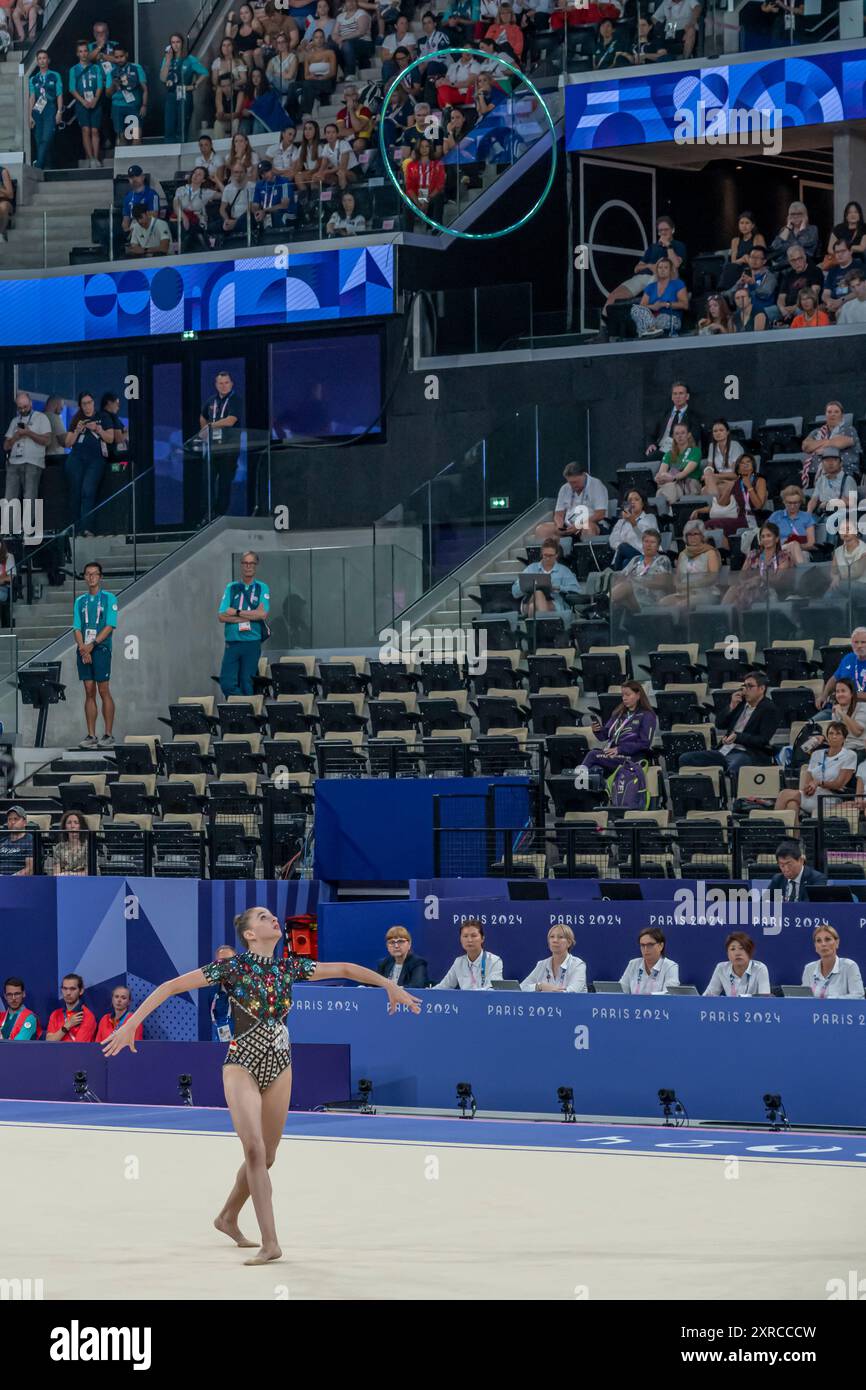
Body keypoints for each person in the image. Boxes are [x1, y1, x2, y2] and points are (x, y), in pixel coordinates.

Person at [102, 904, 421, 1265]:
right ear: (250, 934)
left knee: (267, 1157)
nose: (273, 919)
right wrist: (130, 1024)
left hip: (280, 1065)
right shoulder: (233, 967)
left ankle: (226, 1217)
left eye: (273, 916)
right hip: (242, 1063)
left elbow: (345, 969)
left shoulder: (289, 967)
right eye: (263, 917)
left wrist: (389, 985)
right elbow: (171, 986)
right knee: (253, 1150)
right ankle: (271, 1243)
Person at [678, 670, 780, 791]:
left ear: (761, 688)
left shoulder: (769, 709)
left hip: (747, 753)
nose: (745, 689)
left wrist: (738, 737)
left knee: (736, 765)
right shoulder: (740, 703)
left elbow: (762, 740)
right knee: (685, 758)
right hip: (724, 751)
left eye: (750, 686)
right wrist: (731, 706)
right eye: (744, 686)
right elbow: (720, 724)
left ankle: (733, 798)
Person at [604, 215, 687, 325]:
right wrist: (649, 266)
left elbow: (676, 264)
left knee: (654, 294)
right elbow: (637, 268)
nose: (663, 232)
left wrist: (668, 246)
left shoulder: (678, 245)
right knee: (613, 296)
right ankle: (604, 329)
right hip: (643, 277)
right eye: (660, 230)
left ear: (672, 230)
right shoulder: (653, 247)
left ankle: (650, 326)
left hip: (661, 277)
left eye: (666, 229)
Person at [73, 560, 118, 750]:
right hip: (84, 649)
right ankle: (91, 735)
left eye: (95, 574)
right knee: (88, 691)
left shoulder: (109, 598)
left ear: (100, 577)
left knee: (103, 690)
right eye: (88, 574)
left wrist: (92, 645)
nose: (91, 577)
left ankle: (108, 734)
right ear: (84, 577)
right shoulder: (79, 601)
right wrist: (83, 647)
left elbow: (110, 625)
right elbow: (76, 627)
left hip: (100, 648)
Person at [577, 679, 657, 780]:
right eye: (623, 695)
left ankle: (577, 780)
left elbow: (644, 743)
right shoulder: (619, 713)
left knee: (593, 755)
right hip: (615, 755)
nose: (624, 698)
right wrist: (597, 730)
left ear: (638, 695)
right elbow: (604, 736)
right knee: (595, 769)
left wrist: (619, 749)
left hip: (633, 758)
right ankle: (590, 791)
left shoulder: (647, 715)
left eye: (628, 695)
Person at [775, 721, 855, 819]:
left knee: (784, 794)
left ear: (844, 738)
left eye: (838, 734)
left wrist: (818, 782)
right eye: (831, 733)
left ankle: (774, 830)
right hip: (813, 794)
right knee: (792, 804)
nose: (834, 736)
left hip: (830, 797)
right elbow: (807, 781)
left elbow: (839, 784)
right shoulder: (817, 754)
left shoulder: (849, 755)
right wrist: (808, 788)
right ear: (827, 736)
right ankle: (793, 834)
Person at [218, 550, 270, 697]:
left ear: (256, 565)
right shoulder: (231, 587)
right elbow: (221, 615)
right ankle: (244, 707)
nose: (248, 566)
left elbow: (262, 614)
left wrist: (236, 612)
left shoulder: (262, 587)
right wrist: (250, 616)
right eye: (245, 563)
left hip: (252, 641)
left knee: (247, 682)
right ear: (241, 565)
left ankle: (246, 715)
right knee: (227, 683)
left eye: (251, 563)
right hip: (233, 641)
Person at [64, 392, 113, 534]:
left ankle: (87, 527)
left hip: (95, 459)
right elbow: (68, 443)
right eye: (84, 403)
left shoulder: (102, 417)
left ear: (93, 403)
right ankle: (76, 528)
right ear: (80, 405)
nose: (87, 406)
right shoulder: (77, 419)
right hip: (77, 459)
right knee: (75, 493)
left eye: (89, 402)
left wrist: (97, 429)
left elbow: (110, 438)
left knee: (88, 490)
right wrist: (77, 431)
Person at [200, 369, 243, 518]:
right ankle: (208, 513)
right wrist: (205, 431)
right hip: (213, 448)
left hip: (229, 448)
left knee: (225, 483)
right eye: (221, 383)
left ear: (231, 384)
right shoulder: (211, 400)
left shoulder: (235, 400)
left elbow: (231, 420)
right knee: (208, 481)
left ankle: (220, 513)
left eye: (226, 383)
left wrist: (211, 426)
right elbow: (203, 416)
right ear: (216, 385)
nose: (224, 386)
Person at [724, 521, 794, 608]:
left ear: (776, 539)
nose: (765, 539)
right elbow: (742, 576)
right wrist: (749, 582)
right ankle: (723, 617)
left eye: (769, 536)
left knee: (761, 593)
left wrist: (759, 578)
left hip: (772, 589)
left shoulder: (784, 556)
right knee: (733, 589)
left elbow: (777, 580)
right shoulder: (753, 554)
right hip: (750, 586)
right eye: (763, 537)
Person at [536, 460, 609, 541]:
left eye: (576, 482)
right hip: (568, 526)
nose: (573, 485)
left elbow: (600, 514)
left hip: (591, 524)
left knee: (588, 527)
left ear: (584, 475)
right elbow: (558, 514)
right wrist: (559, 526)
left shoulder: (596, 485)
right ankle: (551, 553)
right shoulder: (565, 488)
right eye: (570, 482)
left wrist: (579, 525)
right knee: (542, 529)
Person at [511, 537, 580, 618]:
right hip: (529, 601)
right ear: (541, 554)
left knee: (533, 606)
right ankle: (544, 626)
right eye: (545, 555)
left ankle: (534, 627)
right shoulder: (531, 568)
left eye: (550, 556)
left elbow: (576, 589)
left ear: (556, 555)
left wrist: (558, 588)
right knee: (537, 592)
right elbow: (515, 592)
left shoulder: (563, 571)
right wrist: (526, 586)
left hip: (553, 602)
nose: (547, 558)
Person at [4, 389, 50, 508]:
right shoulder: (15, 421)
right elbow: (5, 446)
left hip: (33, 462)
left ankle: (28, 526)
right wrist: (16, 436)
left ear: (31, 404)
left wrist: (29, 433)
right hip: (14, 463)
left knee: (30, 497)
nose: (23, 410)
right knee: (9, 498)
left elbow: (47, 440)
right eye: (20, 408)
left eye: (25, 407)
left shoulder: (41, 417)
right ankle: (8, 526)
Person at [161, 32, 209, 143]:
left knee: (182, 128)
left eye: (178, 42)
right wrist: (167, 61)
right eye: (173, 42)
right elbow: (163, 78)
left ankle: (181, 152)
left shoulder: (189, 59)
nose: (175, 45)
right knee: (169, 127)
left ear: (182, 43)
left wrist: (193, 86)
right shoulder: (167, 59)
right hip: (171, 95)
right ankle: (170, 153)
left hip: (184, 94)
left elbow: (205, 73)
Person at [612, 528, 673, 611]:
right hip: (633, 596)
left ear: (658, 546)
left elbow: (662, 582)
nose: (648, 545)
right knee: (619, 595)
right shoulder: (636, 560)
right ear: (642, 544)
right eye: (646, 541)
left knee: (627, 586)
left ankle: (602, 603)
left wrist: (636, 581)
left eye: (652, 542)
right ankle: (603, 609)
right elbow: (622, 576)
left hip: (652, 599)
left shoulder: (662, 560)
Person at [629, 256, 689, 339]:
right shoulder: (650, 287)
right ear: (657, 270)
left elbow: (685, 305)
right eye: (660, 267)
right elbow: (642, 306)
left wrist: (664, 304)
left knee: (662, 318)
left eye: (665, 267)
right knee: (635, 309)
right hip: (652, 318)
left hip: (670, 318)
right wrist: (653, 307)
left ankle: (648, 331)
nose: (662, 270)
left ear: (670, 270)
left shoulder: (678, 284)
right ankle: (650, 330)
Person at [801, 400, 860, 482]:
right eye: (829, 412)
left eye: (836, 412)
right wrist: (830, 443)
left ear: (842, 415)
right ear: (825, 415)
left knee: (852, 494)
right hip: (813, 473)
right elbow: (806, 446)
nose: (832, 414)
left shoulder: (849, 430)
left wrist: (819, 447)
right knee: (792, 484)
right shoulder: (817, 432)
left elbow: (840, 443)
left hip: (845, 472)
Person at [434, 920, 503, 989]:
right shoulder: (459, 962)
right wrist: (426, 993)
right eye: (465, 936)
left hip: (486, 999)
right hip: (464, 999)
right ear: (460, 939)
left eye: (474, 936)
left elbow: (494, 989)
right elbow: (443, 987)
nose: (469, 940)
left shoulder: (494, 961)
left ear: (482, 939)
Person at [802, 925, 864, 999]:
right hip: (812, 1010)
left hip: (842, 1010)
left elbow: (858, 996)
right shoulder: (809, 968)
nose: (823, 944)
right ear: (815, 946)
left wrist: (830, 1001)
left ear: (837, 943)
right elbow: (803, 998)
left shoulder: (849, 966)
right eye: (818, 941)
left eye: (827, 939)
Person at [521, 924, 587, 992]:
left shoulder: (578, 965)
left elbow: (572, 992)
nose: (555, 940)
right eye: (552, 937)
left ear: (569, 943)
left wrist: (552, 990)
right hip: (546, 1003)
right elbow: (521, 988)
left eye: (560, 937)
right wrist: (540, 986)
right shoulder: (542, 964)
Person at [69, 40, 104, 168]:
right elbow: (72, 88)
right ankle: (91, 158)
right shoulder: (74, 69)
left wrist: (95, 99)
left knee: (95, 130)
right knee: (85, 130)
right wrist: (83, 101)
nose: (83, 54)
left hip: (95, 102)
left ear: (89, 52)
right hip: (81, 103)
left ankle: (96, 157)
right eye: (80, 51)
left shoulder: (95, 68)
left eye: (85, 51)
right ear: (77, 54)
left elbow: (100, 85)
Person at [703, 933, 771, 997]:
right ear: (728, 954)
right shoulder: (721, 968)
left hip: (754, 1009)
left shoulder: (760, 968)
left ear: (750, 951)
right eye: (732, 949)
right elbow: (708, 996)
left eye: (741, 948)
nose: (737, 953)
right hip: (730, 1009)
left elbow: (765, 998)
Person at [28, 49, 64, 171]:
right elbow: (32, 97)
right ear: (37, 62)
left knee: (46, 138)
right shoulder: (33, 79)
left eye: (44, 58)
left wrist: (59, 111)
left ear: (48, 60)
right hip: (37, 110)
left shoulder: (55, 75)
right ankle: (48, 166)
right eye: (40, 59)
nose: (42, 61)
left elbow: (59, 94)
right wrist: (30, 116)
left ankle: (38, 167)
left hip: (50, 108)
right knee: (39, 140)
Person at [645, 380, 700, 459]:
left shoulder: (694, 417)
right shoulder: (664, 414)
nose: (678, 397)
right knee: (649, 457)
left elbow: (694, 438)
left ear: (687, 396)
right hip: (660, 449)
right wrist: (651, 444)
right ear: (672, 397)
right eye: (675, 394)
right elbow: (651, 434)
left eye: (681, 393)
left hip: (679, 451)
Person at [108, 45, 147, 147]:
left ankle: (136, 160)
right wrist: (113, 84)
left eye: (121, 56)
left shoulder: (136, 68)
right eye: (116, 57)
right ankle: (124, 161)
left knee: (135, 136)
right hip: (117, 106)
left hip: (133, 106)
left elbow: (145, 89)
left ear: (126, 55)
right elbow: (107, 94)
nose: (119, 59)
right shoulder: (111, 72)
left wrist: (144, 105)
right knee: (121, 136)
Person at [619, 927, 680, 994]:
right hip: (633, 1004)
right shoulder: (633, 964)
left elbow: (670, 994)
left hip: (659, 1004)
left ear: (661, 946)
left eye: (650, 945)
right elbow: (621, 990)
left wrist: (647, 999)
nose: (645, 949)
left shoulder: (670, 966)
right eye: (642, 945)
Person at [718, 210, 767, 292]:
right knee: (728, 266)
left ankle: (726, 291)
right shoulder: (735, 241)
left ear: (752, 225)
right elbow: (734, 262)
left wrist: (747, 259)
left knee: (730, 268)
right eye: (741, 223)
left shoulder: (758, 237)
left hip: (752, 269)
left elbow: (759, 260)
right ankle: (724, 291)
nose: (744, 226)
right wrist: (743, 258)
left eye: (747, 223)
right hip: (738, 268)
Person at [653, 422, 701, 505]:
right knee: (667, 488)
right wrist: (658, 478)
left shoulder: (695, 451)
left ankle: (667, 512)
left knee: (664, 491)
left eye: (683, 433)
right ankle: (671, 512)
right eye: (677, 434)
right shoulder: (669, 454)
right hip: (671, 483)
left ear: (688, 435)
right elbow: (661, 472)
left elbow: (685, 473)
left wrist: (672, 478)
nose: (679, 436)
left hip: (689, 483)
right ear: (673, 436)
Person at [175, 166, 220, 252]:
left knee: (192, 230)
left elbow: (227, 195)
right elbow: (176, 205)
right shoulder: (181, 190)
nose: (195, 175)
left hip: (198, 223)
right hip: (182, 221)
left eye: (199, 174)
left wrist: (217, 180)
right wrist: (184, 217)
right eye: (194, 173)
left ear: (203, 180)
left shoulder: (206, 192)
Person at [404, 137, 446, 226]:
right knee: (407, 204)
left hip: (432, 196)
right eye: (421, 147)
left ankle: (437, 228)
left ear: (430, 148)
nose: (424, 149)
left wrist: (427, 199)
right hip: (417, 196)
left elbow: (440, 184)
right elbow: (409, 187)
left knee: (439, 197)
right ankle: (408, 233)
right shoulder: (411, 165)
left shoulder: (437, 164)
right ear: (418, 148)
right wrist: (418, 203)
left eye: (426, 146)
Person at [766, 484, 814, 564]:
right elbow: (767, 538)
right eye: (789, 503)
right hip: (779, 550)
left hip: (802, 551)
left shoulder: (807, 517)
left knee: (800, 552)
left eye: (796, 503)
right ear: (784, 502)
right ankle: (803, 574)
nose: (792, 506)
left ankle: (800, 573)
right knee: (792, 550)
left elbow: (811, 543)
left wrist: (796, 547)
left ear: (801, 501)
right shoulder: (776, 516)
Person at [609, 489, 655, 570]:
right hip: (623, 558)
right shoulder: (621, 522)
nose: (633, 502)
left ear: (643, 503)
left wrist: (633, 523)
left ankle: (616, 577)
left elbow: (647, 539)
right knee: (626, 561)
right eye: (630, 500)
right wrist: (623, 549)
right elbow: (612, 540)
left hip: (644, 557)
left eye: (636, 499)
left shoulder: (650, 518)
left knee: (623, 546)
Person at [806, 447, 857, 520]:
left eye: (834, 460)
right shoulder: (820, 480)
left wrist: (829, 503)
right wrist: (808, 513)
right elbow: (814, 499)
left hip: (841, 516)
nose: (830, 463)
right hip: (822, 514)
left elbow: (852, 503)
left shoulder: (848, 480)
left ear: (841, 463)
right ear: (822, 463)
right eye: (827, 460)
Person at [822, 238, 865, 320]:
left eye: (843, 251)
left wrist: (841, 301)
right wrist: (829, 301)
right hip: (834, 306)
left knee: (841, 312)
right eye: (837, 252)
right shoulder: (832, 270)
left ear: (850, 251)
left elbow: (861, 290)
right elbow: (825, 293)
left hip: (854, 303)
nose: (839, 254)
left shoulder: (860, 267)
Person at [769, 200, 819, 270]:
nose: (795, 216)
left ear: (805, 215)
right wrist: (788, 228)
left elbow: (798, 247)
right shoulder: (785, 230)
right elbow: (775, 247)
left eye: (799, 214)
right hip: (782, 267)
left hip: (803, 266)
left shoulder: (812, 229)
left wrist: (802, 229)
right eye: (792, 214)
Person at [46, 974, 97, 1042]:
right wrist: (67, 1026)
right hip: (54, 1052)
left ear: (81, 991)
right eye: (65, 988)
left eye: (72, 989)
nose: (68, 993)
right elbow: (49, 1041)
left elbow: (78, 1046)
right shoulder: (55, 1014)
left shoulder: (87, 1016)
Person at [250, 158, 295, 232]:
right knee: (249, 217)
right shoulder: (259, 184)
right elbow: (255, 205)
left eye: (267, 171)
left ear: (272, 169)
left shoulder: (284, 182)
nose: (264, 175)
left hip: (286, 213)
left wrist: (265, 211)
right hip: (266, 214)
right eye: (262, 173)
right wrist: (257, 212)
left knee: (277, 214)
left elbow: (284, 205)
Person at [334, 0, 374, 75]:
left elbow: (361, 31)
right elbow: (335, 33)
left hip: (364, 43)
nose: (351, 2)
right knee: (331, 47)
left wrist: (343, 38)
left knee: (347, 45)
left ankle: (351, 74)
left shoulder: (361, 13)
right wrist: (338, 40)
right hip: (345, 43)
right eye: (348, 1)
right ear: (344, 3)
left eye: (353, 1)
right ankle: (336, 76)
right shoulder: (340, 16)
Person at [121, 165, 160, 234]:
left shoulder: (152, 194)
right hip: (132, 231)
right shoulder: (128, 197)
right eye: (131, 177)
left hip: (148, 230)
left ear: (143, 177)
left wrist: (136, 227)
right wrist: (126, 231)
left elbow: (154, 216)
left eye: (137, 176)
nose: (134, 179)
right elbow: (125, 219)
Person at [49, 809, 89, 875]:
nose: (72, 826)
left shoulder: (89, 847)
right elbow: (56, 873)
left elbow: (89, 872)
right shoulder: (59, 847)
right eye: (69, 823)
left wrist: (70, 874)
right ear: (65, 827)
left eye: (76, 823)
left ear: (81, 826)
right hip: (64, 882)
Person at [210, 945, 238, 1042]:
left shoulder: (246, 987)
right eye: (221, 961)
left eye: (228, 960)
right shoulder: (211, 989)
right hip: (221, 1042)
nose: (225, 964)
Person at [0, 805, 33, 876]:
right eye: (9, 819)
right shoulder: (2, 841)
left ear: (25, 822)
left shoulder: (30, 840)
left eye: (16, 819)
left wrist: (11, 878)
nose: (12, 822)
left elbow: (30, 869)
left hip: (19, 882)